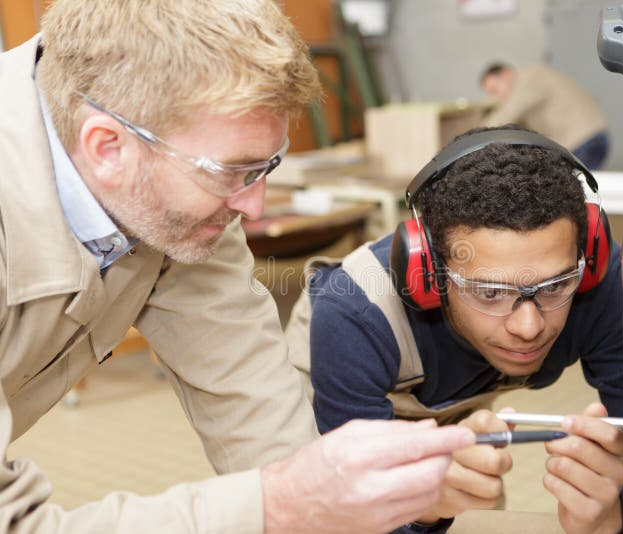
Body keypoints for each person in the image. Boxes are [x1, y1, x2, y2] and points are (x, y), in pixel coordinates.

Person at [0, 1, 476, 532]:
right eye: (234, 171)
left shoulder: (174, 188)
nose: (254, 206)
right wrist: (278, 505)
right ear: (108, 147)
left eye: (266, 165)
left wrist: (335, 505)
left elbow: (256, 412)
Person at [288, 126, 623, 533]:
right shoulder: (353, 315)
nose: (529, 328)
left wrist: (618, 516)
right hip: (360, 371)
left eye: (555, 287)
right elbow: (350, 514)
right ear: (429, 274)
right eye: (490, 292)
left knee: (476, 503)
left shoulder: (598, 284)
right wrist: (425, 507)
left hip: (462, 387)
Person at [480, 63, 611, 169]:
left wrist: (477, 136)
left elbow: (509, 112)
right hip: (585, 139)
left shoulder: (529, 77)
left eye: (495, 89)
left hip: (584, 140)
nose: (497, 97)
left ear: (505, 73)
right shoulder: (528, 84)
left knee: (572, 192)